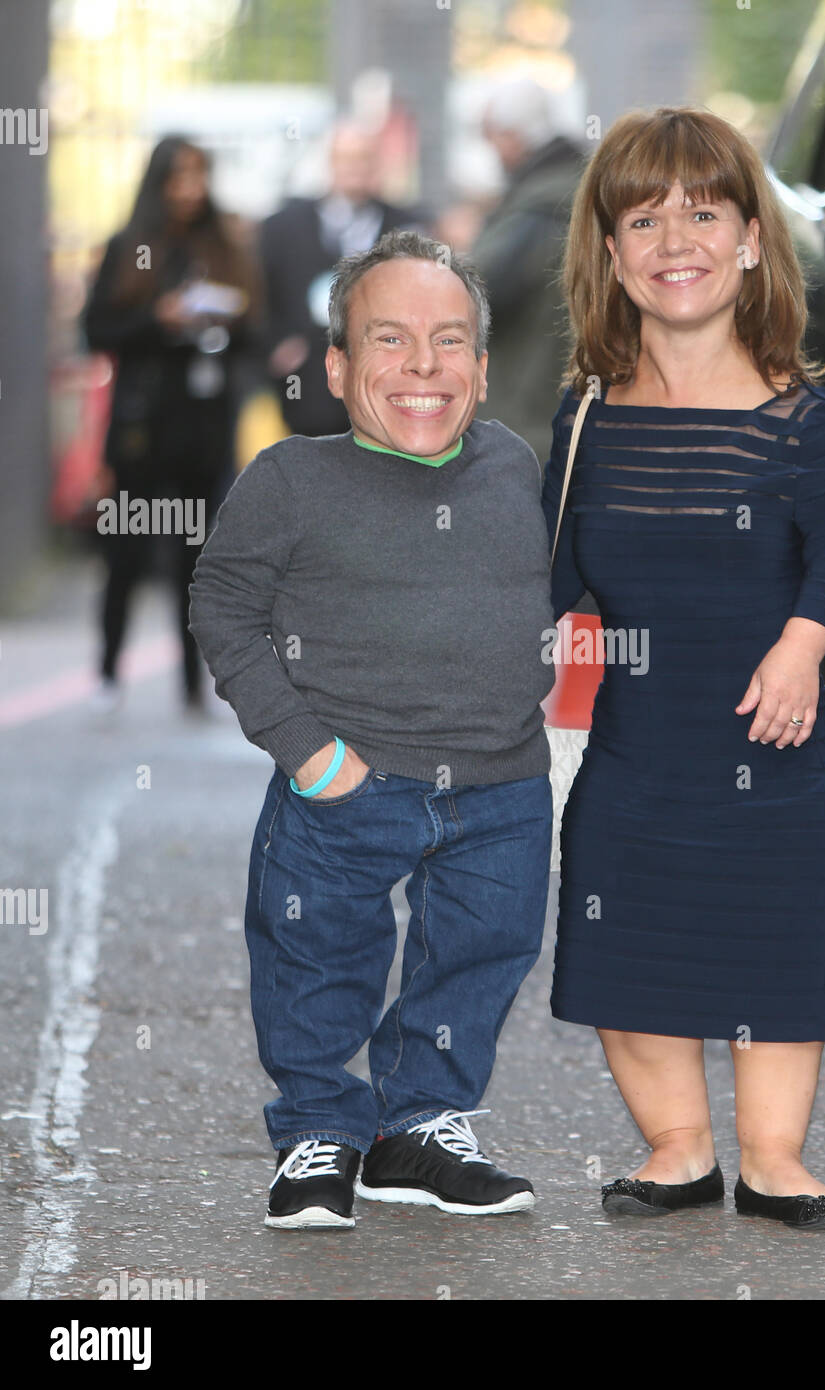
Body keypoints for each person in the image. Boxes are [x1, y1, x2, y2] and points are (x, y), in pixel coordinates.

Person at [543, 107, 825, 1230]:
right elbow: (538, 579)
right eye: (642, 217)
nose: (672, 237)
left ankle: (774, 1157)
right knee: (624, 932)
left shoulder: (805, 425)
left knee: (782, 935)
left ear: (749, 240)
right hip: (639, 758)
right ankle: (676, 1149)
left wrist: (802, 643)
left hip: (776, 756)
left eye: (702, 211)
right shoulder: (585, 420)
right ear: (609, 254)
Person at [189, 229, 555, 1230]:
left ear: (481, 367)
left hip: (499, 780)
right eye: (389, 341)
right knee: (317, 955)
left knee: (482, 950)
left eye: (449, 342)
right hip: (344, 775)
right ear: (340, 367)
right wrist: (304, 749)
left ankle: (418, 1125)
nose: (424, 366)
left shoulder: (514, 467)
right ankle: (318, 1129)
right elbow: (223, 609)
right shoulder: (289, 481)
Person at [83, 134, 258, 710]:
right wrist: (159, 319)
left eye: (198, 176)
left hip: (201, 429)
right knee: (125, 555)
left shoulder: (223, 246)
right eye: (179, 178)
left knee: (195, 558)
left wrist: (221, 319)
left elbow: (256, 331)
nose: (190, 191)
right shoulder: (129, 246)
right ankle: (108, 673)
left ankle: (191, 686)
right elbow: (97, 332)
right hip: (139, 429)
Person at [257, 120, 431, 437]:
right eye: (347, 159)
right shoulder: (282, 228)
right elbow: (263, 296)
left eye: (365, 158)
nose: (356, 169)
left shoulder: (410, 227)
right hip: (308, 391)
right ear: (330, 163)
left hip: (385, 393)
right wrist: (277, 347)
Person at [468, 76, 586, 461]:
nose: (492, 151)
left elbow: (472, 294)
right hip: (571, 410)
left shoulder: (538, 207)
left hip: (526, 418)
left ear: (514, 135)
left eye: (492, 136)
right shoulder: (582, 188)